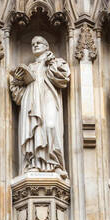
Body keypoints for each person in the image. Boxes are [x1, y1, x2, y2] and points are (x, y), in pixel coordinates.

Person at [9, 35, 71, 176]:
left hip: (48, 97)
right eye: (33, 44)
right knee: (34, 130)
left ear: (47, 47)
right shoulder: (30, 67)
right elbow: (18, 96)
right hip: (31, 102)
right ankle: (34, 163)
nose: (35, 45)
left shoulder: (56, 62)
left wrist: (50, 64)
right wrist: (17, 82)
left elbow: (63, 78)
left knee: (50, 126)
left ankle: (55, 164)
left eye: (39, 43)